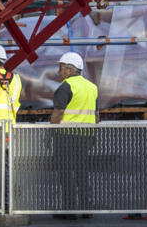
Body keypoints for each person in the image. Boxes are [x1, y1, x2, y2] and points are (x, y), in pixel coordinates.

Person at [51, 51, 97, 220]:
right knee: (82, 172)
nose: (59, 72)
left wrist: (50, 133)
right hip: (86, 136)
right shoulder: (92, 87)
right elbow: (96, 115)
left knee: (65, 172)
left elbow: (57, 114)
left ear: (69, 70)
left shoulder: (65, 87)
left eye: (61, 68)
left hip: (66, 136)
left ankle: (68, 210)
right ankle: (86, 208)